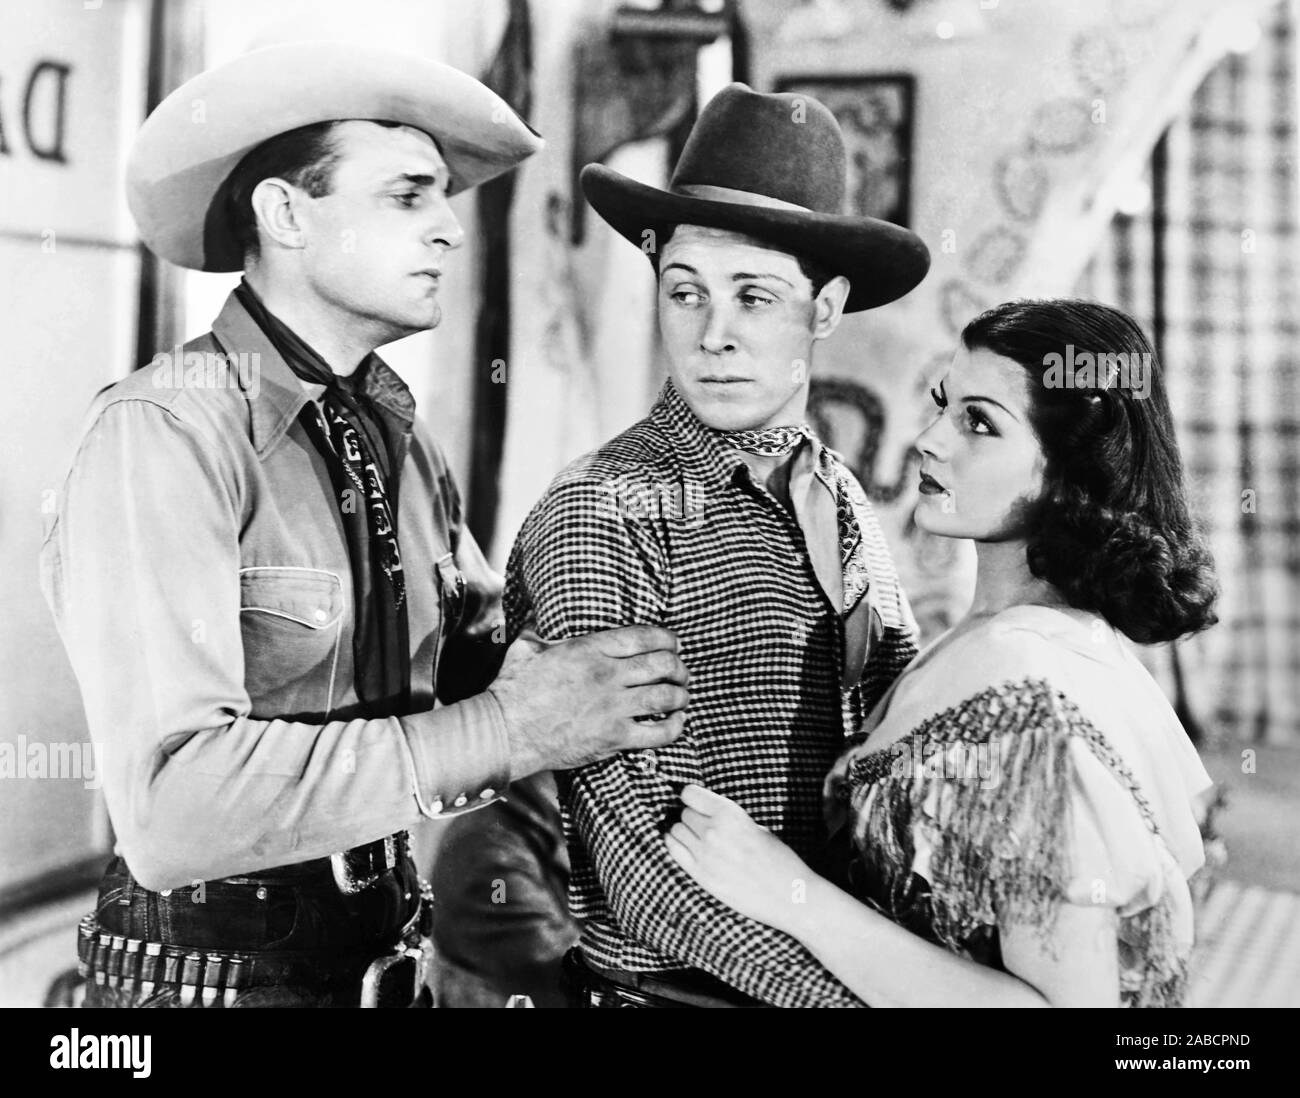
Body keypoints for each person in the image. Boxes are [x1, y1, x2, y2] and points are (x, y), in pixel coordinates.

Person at [40, 41, 688, 1008]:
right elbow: (175, 815)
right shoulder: (167, 431)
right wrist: (508, 727)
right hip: (207, 981)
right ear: (286, 213)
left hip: (380, 961)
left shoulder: (397, 442)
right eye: (407, 195)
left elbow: (485, 671)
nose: (449, 232)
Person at [492, 83, 930, 1008]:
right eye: (684, 292)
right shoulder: (602, 512)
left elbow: (897, 743)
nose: (713, 335)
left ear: (825, 307)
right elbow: (646, 868)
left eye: (754, 296)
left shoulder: (839, 497)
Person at [668, 299, 1218, 1007]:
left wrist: (789, 893)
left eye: (979, 423)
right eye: (943, 405)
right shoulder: (996, 637)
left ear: (1066, 473)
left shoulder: (1032, 698)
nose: (928, 440)